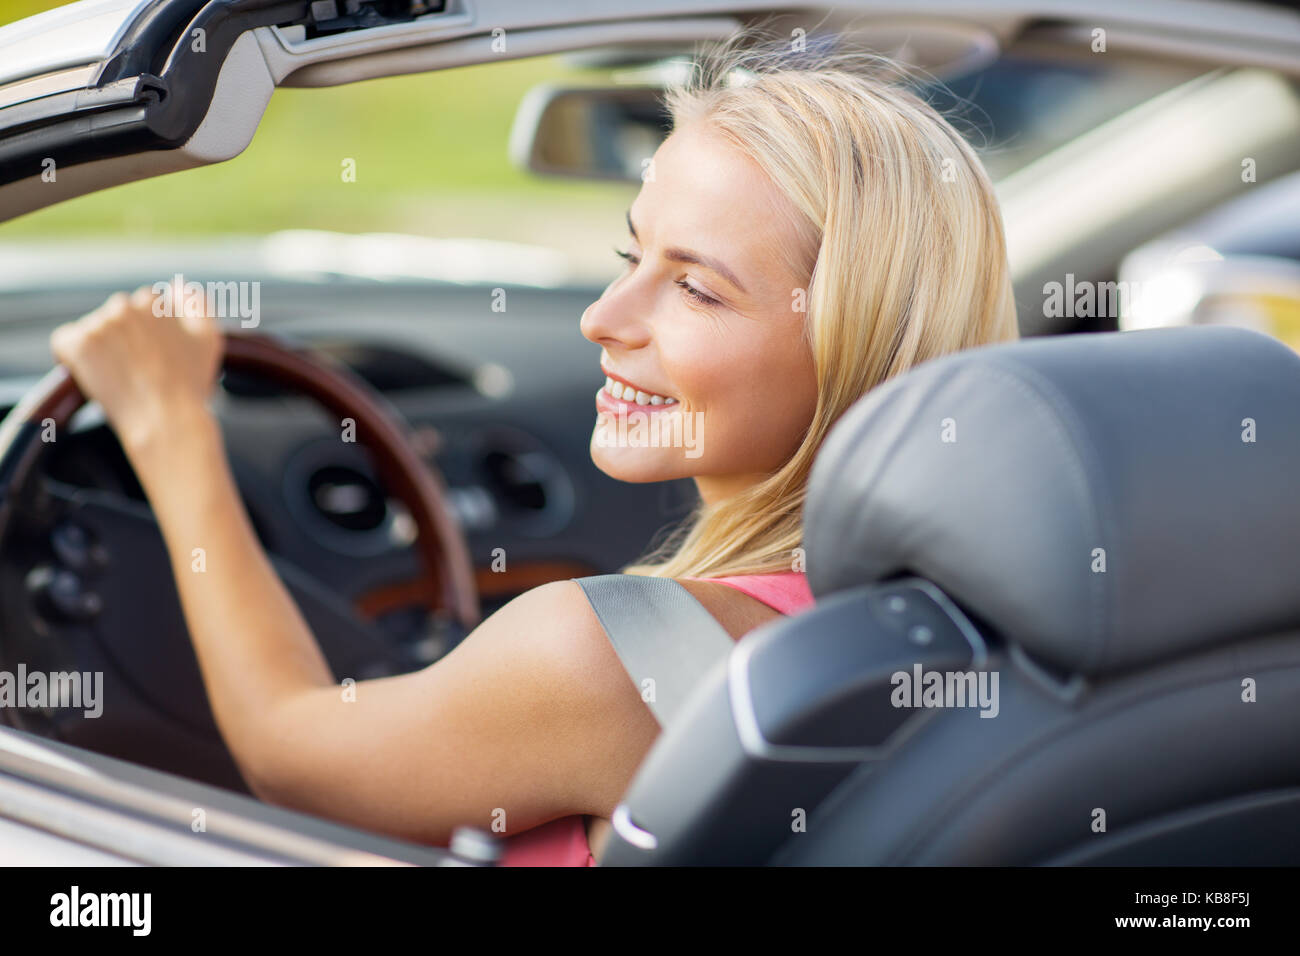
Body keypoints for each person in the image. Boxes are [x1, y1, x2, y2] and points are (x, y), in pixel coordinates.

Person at [48, 26, 1017, 866]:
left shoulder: (612, 656)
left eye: (696, 288)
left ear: (850, 339)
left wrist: (169, 426)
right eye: (630, 256)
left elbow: (287, 751)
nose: (603, 317)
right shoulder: (1014, 623)